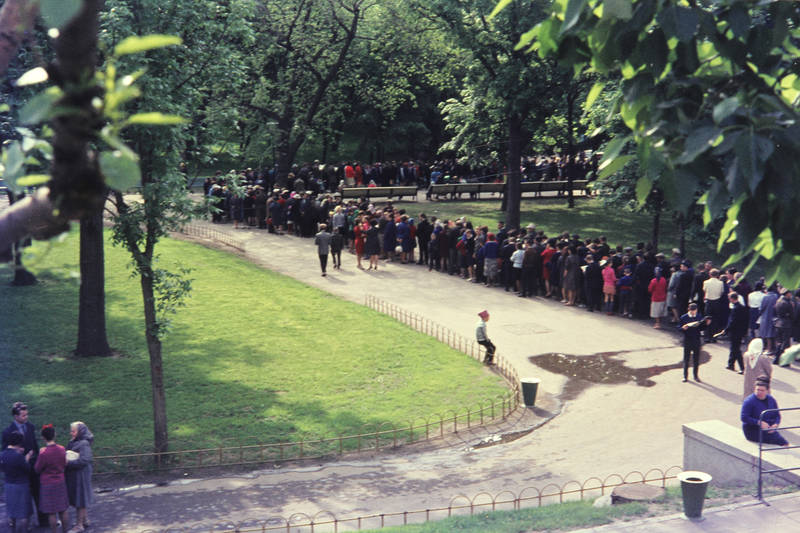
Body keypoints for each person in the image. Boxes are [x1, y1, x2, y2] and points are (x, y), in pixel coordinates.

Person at [2, 402, 46, 527]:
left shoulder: (30, 427)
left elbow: (34, 446)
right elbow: (6, 452)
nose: (26, 417)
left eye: (26, 415)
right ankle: (20, 522)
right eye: (23, 415)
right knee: (21, 497)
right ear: (15, 416)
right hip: (19, 470)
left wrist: (38, 460)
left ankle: (43, 520)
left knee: (38, 493)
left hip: (32, 467)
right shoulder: (7, 432)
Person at [34, 424, 68, 533]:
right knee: (63, 509)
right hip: (60, 481)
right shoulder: (62, 449)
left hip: (47, 484)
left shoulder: (43, 453)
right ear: (55, 435)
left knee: (52, 512)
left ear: (43, 438)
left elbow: (37, 469)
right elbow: (65, 464)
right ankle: (65, 530)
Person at [1, 431, 34, 533]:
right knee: (23, 512)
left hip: (8, 484)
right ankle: (25, 530)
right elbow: (27, 469)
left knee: (12, 511)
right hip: (21, 486)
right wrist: (27, 457)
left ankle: (13, 530)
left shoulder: (2, 454)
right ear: (19, 443)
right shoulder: (18, 457)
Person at [741, 378, 789, 446]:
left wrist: (776, 424)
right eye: (757, 390)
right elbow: (744, 417)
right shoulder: (749, 401)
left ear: (767, 391)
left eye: (762, 390)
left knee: (783, 441)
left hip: (768, 428)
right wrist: (758, 422)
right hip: (753, 430)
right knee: (780, 441)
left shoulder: (771, 399)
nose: (759, 392)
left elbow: (777, 415)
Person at [65, 422, 93, 533]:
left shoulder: (83, 444)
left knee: (80, 499)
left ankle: (79, 525)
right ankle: (85, 519)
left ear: (80, 432)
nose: (71, 433)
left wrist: (68, 463)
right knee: (80, 497)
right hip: (76, 475)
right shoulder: (74, 442)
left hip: (81, 475)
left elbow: (85, 460)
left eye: (73, 431)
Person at [715, 292, 749, 373]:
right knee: (733, 348)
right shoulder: (742, 307)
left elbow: (732, 321)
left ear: (732, 299)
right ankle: (731, 364)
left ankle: (742, 368)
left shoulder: (735, 309)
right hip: (740, 331)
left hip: (735, 332)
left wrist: (726, 330)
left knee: (736, 349)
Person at [679, 303, 709, 382]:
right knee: (686, 359)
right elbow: (679, 328)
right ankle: (685, 376)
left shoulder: (699, 317)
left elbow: (701, 328)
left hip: (696, 340)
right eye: (691, 311)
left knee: (696, 359)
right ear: (688, 309)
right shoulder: (684, 317)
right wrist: (683, 328)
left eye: (694, 311)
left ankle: (696, 376)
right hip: (688, 340)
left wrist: (706, 324)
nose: (693, 312)